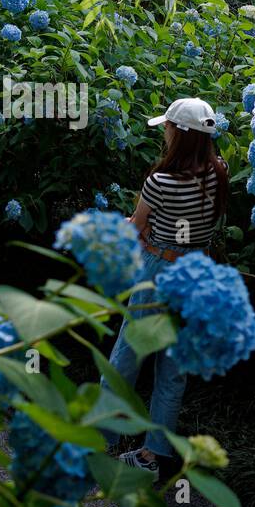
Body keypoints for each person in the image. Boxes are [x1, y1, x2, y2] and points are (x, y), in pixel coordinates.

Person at [102, 97, 229, 481]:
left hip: (160, 271)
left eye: (168, 127)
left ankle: (99, 440)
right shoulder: (218, 172)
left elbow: (137, 228)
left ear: (180, 133)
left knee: (125, 359)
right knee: (173, 371)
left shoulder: (160, 181)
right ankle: (152, 458)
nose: (166, 133)